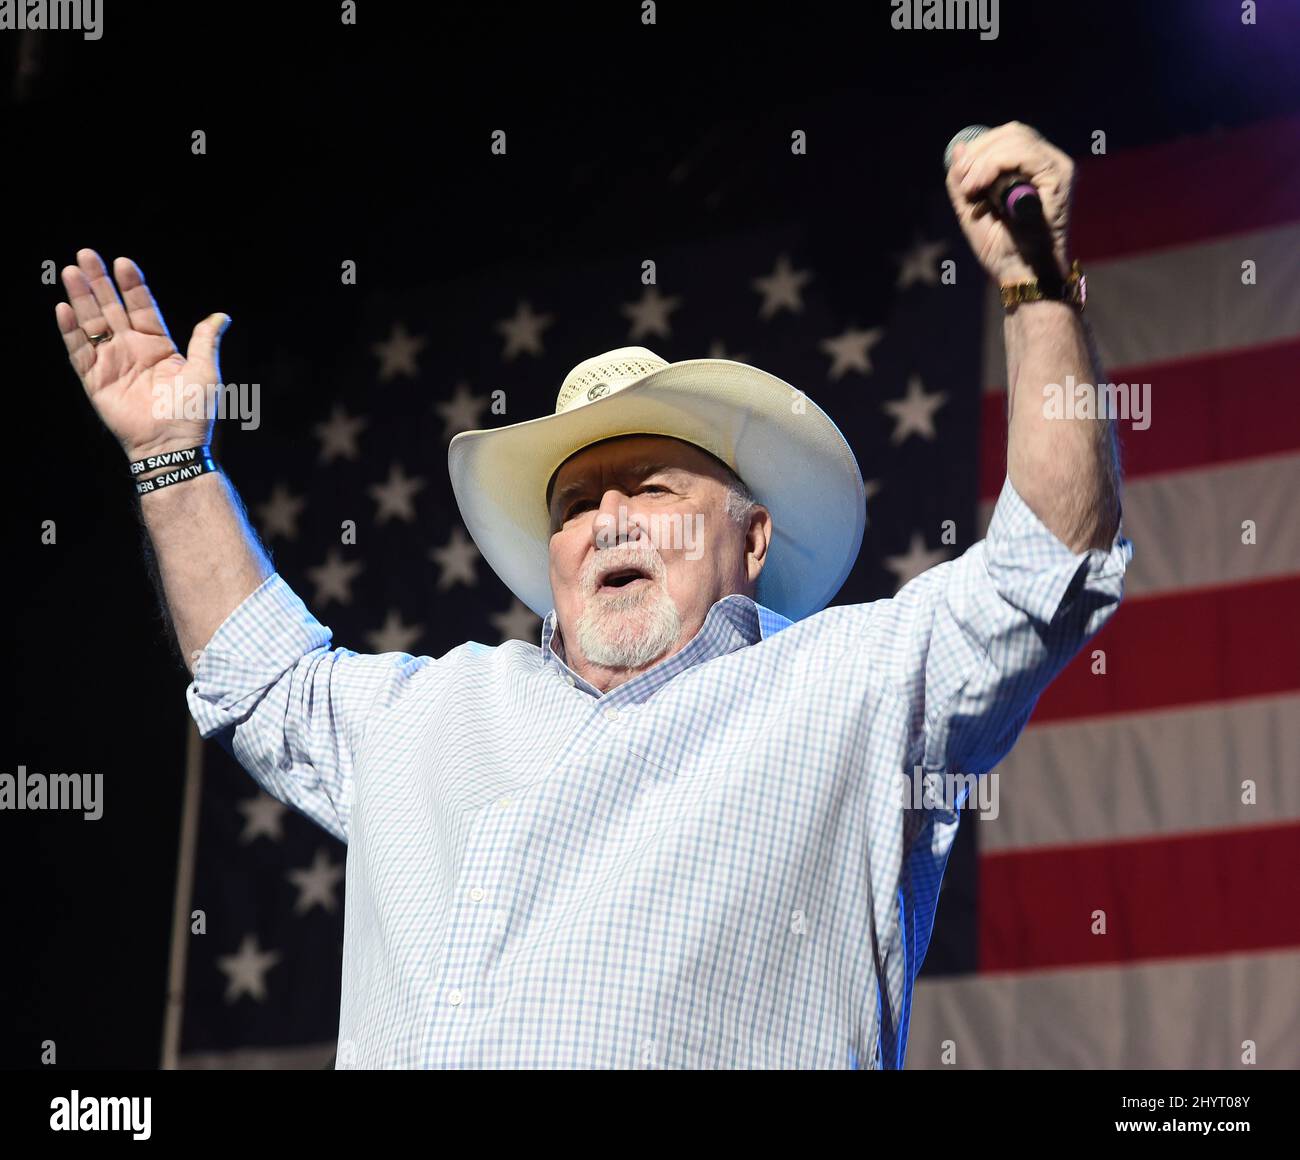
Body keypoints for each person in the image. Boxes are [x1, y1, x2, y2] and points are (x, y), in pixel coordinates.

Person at [55, 121, 1131, 1068]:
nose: (607, 516)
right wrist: (167, 457)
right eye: (575, 501)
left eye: (651, 485)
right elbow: (260, 670)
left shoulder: (849, 689)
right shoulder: (424, 715)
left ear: (751, 536)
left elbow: (1048, 561)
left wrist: (1039, 288)